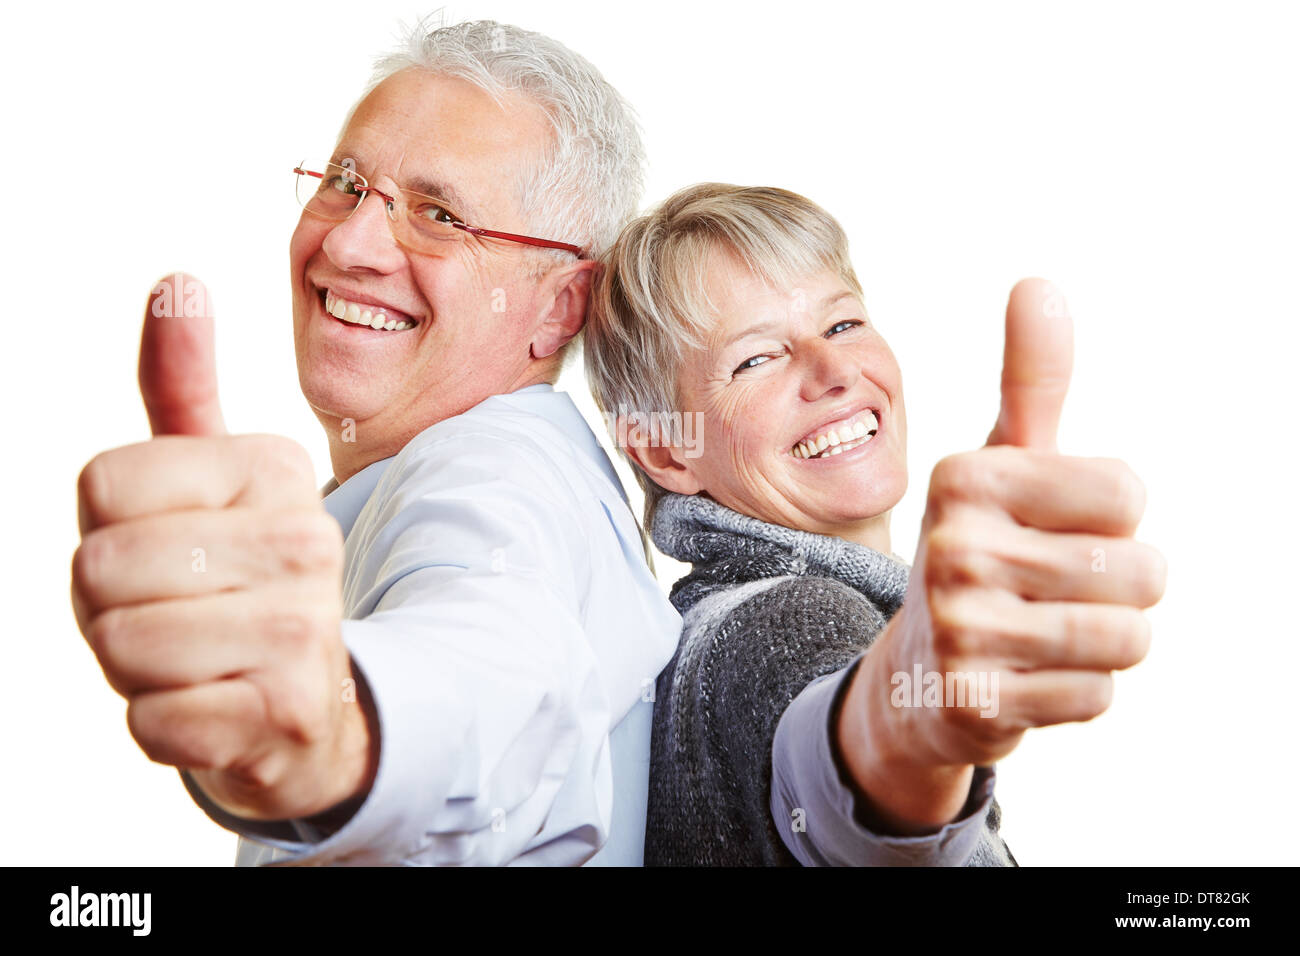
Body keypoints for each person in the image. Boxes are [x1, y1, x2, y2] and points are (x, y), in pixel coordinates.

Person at [70, 17, 681, 866]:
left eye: (439, 215)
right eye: (345, 184)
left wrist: (334, 740)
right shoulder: (454, 474)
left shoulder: (497, 473)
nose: (350, 243)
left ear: (558, 309)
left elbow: (496, 660)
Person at [583, 183, 1167, 865]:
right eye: (756, 359)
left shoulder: (705, 628)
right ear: (663, 448)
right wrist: (917, 720)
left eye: (842, 325)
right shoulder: (776, 623)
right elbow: (845, 769)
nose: (834, 371)